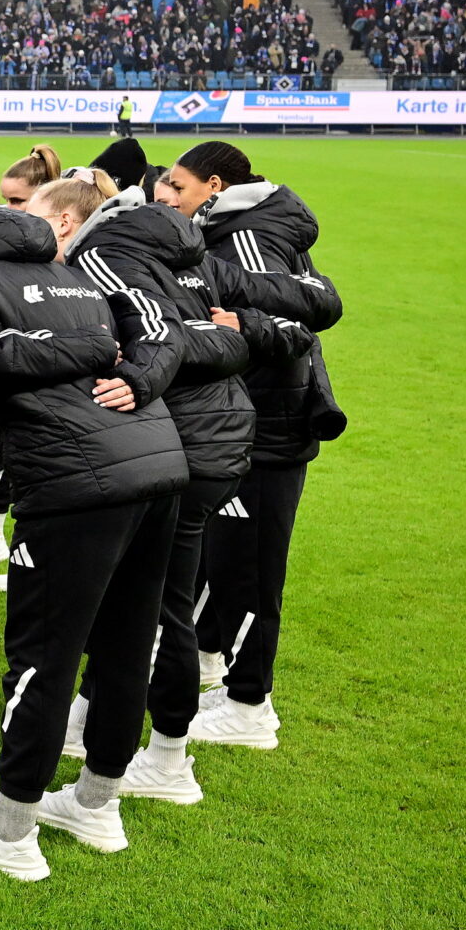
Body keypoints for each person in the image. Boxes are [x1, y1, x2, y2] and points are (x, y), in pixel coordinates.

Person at [0, 181, 189, 882]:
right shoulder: (68, 274)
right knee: (125, 646)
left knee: (42, 657)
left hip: (76, 485)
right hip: (155, 464)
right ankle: (96, 804)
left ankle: (10, 831)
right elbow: (146, 334)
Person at [31, 173, 311, 811]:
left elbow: (165, 337)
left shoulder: (109, 260)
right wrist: (215, 337)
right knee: (149, 605)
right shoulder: (187, 259)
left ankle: (167, 759)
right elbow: (237, 334)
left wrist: (149, 366)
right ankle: (107, 733)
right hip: (215, 441)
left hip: (187, 447)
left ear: (76, 224)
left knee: (157, 611)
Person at [156, 141, 346, 750]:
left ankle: (249, 706)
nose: (170, 200)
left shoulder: (243, 237)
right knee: (221, 553)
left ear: (213, 186)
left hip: (266, 422)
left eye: (178, 189)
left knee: (249, 566)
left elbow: (311, 313)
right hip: (258, 417)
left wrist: (245, 324)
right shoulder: (247, 224)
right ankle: (215, 663)